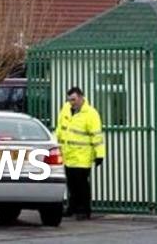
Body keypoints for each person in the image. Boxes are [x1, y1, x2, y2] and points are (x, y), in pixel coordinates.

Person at [56, 86, 105, 220]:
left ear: (81, 97)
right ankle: (72, 208)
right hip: (68, 155)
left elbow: (97, 136)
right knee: (71, 184)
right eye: (70, 100)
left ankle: (84, 210)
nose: (72, 102)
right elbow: (60, 128)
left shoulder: (91, 114)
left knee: (82, 185)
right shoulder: (66, 109)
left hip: (82, 157)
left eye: (74, 99)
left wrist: (99, 154)